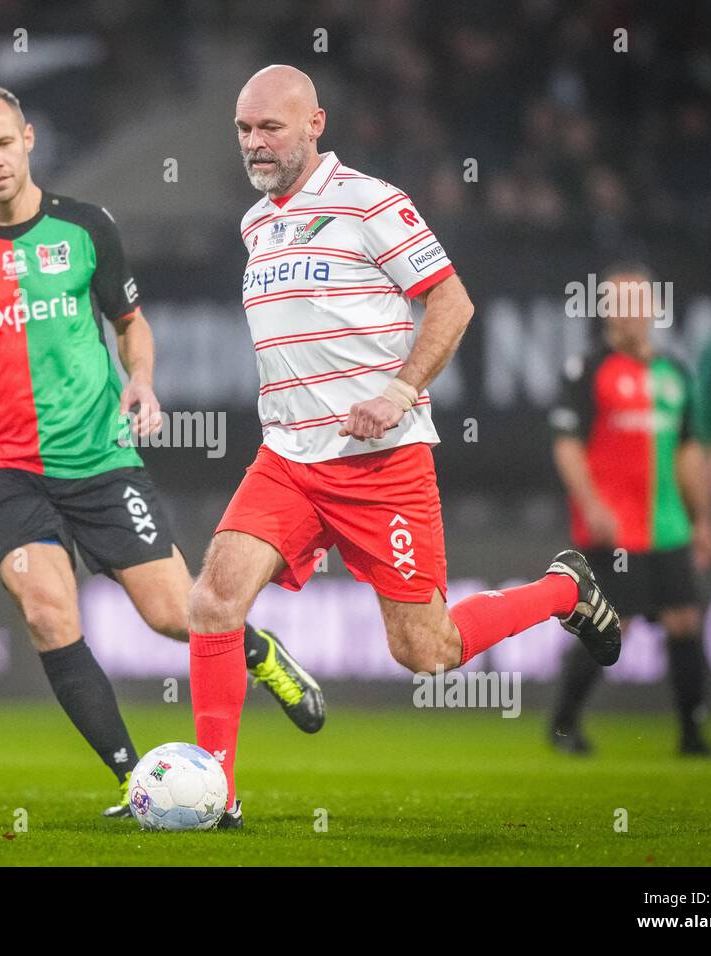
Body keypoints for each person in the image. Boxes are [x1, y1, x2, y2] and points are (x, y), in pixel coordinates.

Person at [0, 84, 325, 817]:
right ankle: (135, 783)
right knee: (46, 614)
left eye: (5, 143)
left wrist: (142, 381)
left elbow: (130, 322)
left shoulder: (87, 229)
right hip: (9, 473)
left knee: (175, 615)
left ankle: (260, 655)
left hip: (101, 459)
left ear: (28, 138)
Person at [188, 65, 623, 829]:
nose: (253, 144)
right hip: (288, 460)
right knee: (214, 602)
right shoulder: (257, 222)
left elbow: (452, 302)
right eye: (242, 130)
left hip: (380, 464)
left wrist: (396, 391)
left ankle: (564, 590)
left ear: (315, 124)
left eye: (270, 129)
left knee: (428, 652)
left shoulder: (371, 202)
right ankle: (214, 798)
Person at [549, 264, 711, 756]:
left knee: (685, 619)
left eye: (636, 302)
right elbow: (566, 445)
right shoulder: (588, 371)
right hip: (613, 528)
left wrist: (702, 519)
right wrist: (591, 504)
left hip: (668, 526)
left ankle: (691, 736)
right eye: (616, 303)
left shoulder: (675, 374)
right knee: (609, 624)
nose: (626, 314)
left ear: (653, 308)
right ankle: (563, 724)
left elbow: (688, 452)